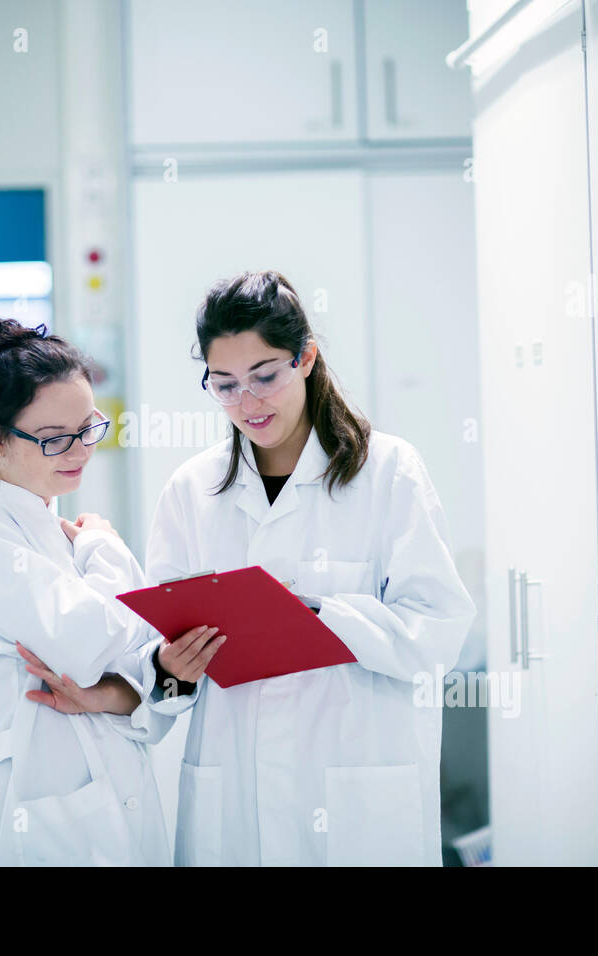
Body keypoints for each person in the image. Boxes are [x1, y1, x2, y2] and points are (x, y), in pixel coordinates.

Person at [33, 270, 476, 865]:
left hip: (354, 793)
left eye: (264, 376)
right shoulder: (192, 491)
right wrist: (161, 671)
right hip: (235, 789)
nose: (248, 402)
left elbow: (438, 627)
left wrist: (320, 615)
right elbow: (155, 656)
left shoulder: (388, 472)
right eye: (225, 384)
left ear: (306, 358)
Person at [0, 314, 215, 866]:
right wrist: (104, 550)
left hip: (112, 796)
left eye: (89, 428)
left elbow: (146, 676)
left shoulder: (57, 532)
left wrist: (134, 682)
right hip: (35, 805)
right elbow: (93, 644)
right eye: (57, 439)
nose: (81, 450)